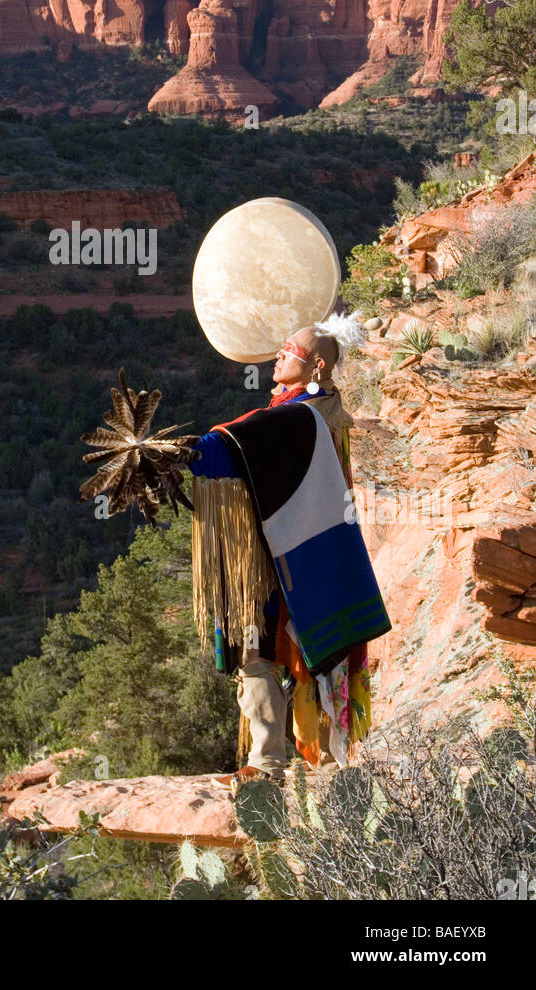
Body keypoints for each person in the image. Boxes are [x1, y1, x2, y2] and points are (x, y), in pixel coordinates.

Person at [188, 313, 374, 789]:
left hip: (303, 551)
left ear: (316, 366)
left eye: (289, 349)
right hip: (270, 548)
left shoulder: (310, 414)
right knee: (256, 646)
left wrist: (193, 449)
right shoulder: (293, 411)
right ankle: (266, 759)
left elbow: (248, 439)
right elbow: (254, 438)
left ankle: (327, 760)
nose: (278, 354)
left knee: (315, 651)